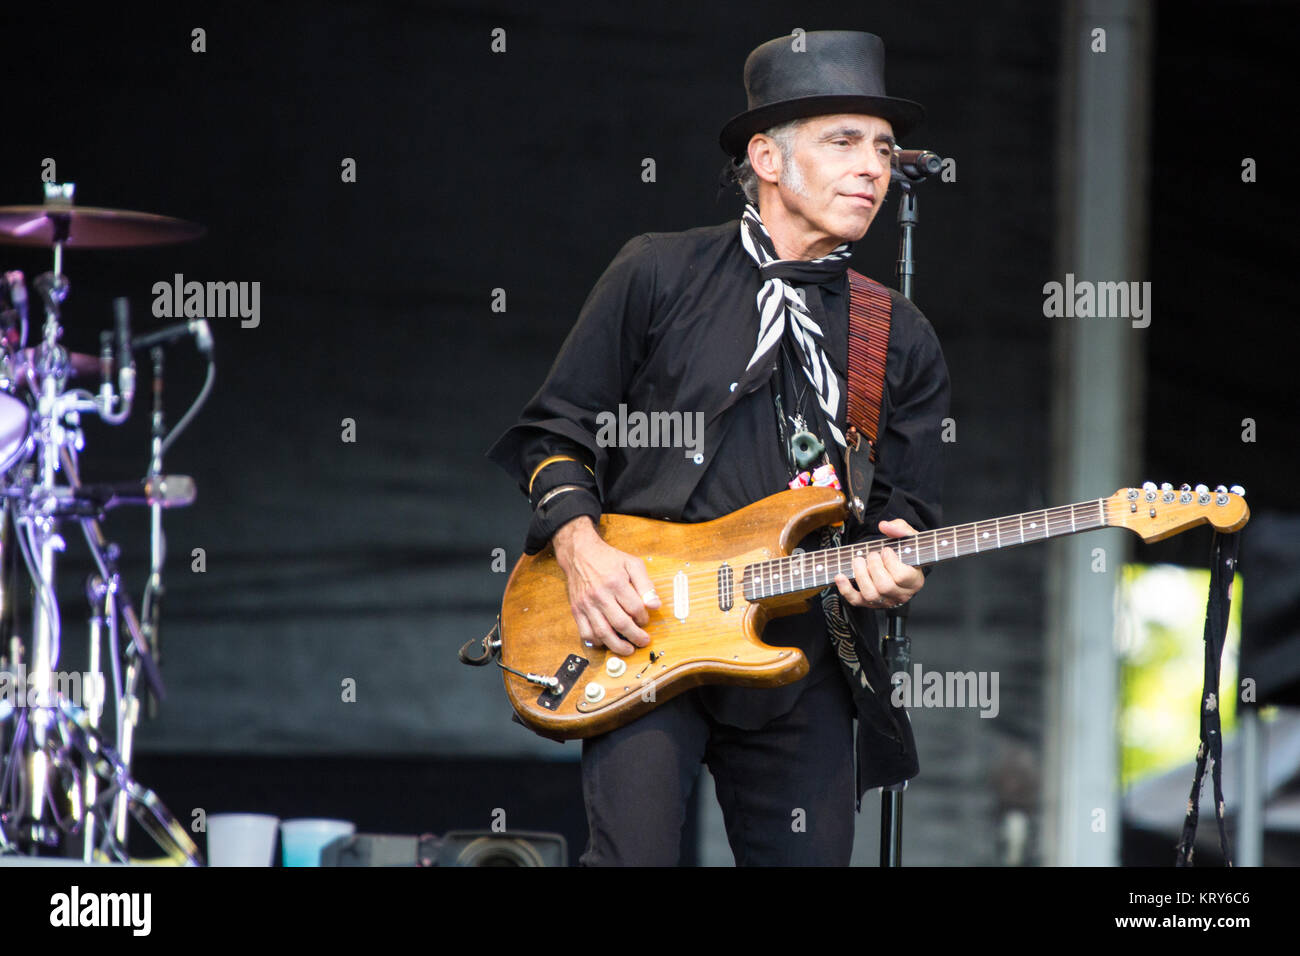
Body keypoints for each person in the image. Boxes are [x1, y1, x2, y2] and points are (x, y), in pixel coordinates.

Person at [487, 30, 949, 866]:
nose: (872, 167)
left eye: (882, 148)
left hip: (803, 653)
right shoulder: (658, 273)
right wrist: (583, 550)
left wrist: (899, 564)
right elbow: (554, 429)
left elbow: (903, 512)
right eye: (843, 141)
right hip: (641, 627)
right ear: (767, 158)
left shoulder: (896, 333)